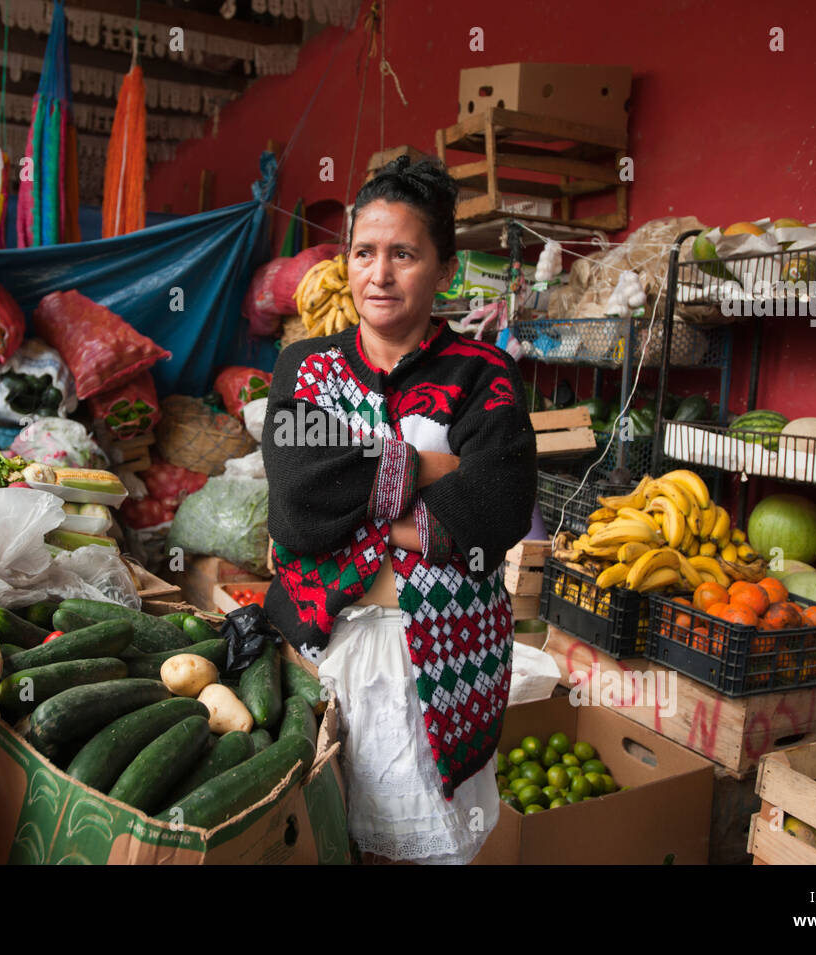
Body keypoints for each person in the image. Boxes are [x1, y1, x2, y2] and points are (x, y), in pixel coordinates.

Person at [261, 157, 537, 864]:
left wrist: (352, 498)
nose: (378, 274)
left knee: (413, 852)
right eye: (363, 252)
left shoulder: (482, 373)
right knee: (315, 836)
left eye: (404, 254)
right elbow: (296, 509)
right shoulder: (306, 368)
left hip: (445, 663)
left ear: (444, 268)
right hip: (324, 647)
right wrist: (437, 467)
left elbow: (500, 506)